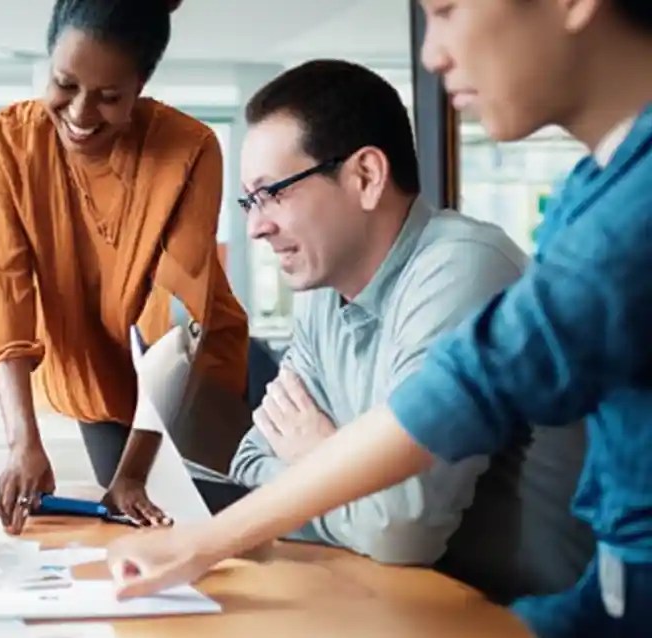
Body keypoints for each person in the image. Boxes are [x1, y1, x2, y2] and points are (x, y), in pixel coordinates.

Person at [106, 0, 652, 638]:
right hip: (584, 613)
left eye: (450, 10)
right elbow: (257, 463)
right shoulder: (594, 192)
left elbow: (453, 417)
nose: (433, 53)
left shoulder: (601, 222)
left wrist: (211, 538)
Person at [225, 59, 592, 603]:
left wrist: (318, 456)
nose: (256, 225)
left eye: (273, 192)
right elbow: (246, 470)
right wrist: (344, 472)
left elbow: (398, 531)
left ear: (366, 177)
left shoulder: (461, 268)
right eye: (251, 201)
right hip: (411, 610)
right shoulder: (323, 297)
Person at [0, 0, 249, 534]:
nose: (80, 114)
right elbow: (5, 292)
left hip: (190, 383)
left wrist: (131, 474)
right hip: (97, 381)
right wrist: (21, 443)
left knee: (217, 549)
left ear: (141, 87)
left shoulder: (189, 150)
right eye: (65, 83)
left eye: (109, 98)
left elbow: (177, 326)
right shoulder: (10, 142)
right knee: (129, 545)